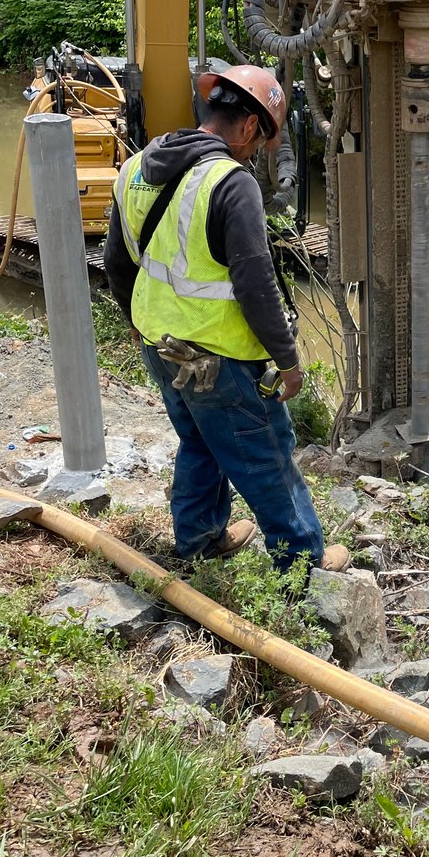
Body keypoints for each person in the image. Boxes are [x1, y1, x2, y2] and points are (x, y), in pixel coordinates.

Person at [104, 64, 348, 572]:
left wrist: (136, 319)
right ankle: (304, 565)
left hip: (159, 344)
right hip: (219, 359)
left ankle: (199, 539)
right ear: (251, 127)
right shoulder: (231, 184)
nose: (256, 152)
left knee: (201, 440)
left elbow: (117, 261)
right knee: (267, 455)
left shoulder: (135, 168)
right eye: (261, 141)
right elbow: (256, 286)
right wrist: (288, 360)